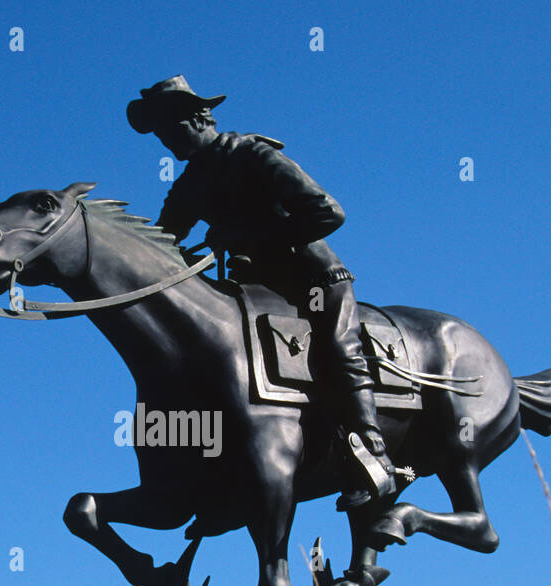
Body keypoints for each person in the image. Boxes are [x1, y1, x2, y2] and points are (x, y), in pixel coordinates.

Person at [128, 75, 399, 503]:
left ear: (197, 119)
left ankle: (373, 453)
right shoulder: (189, 184)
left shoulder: (252, 155)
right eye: (161, 136)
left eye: (170, 130)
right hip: (252, 293)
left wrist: (245, 233)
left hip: (312, 281)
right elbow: (165, 243)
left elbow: (328, 213)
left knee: (338, 347)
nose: (167, 143)